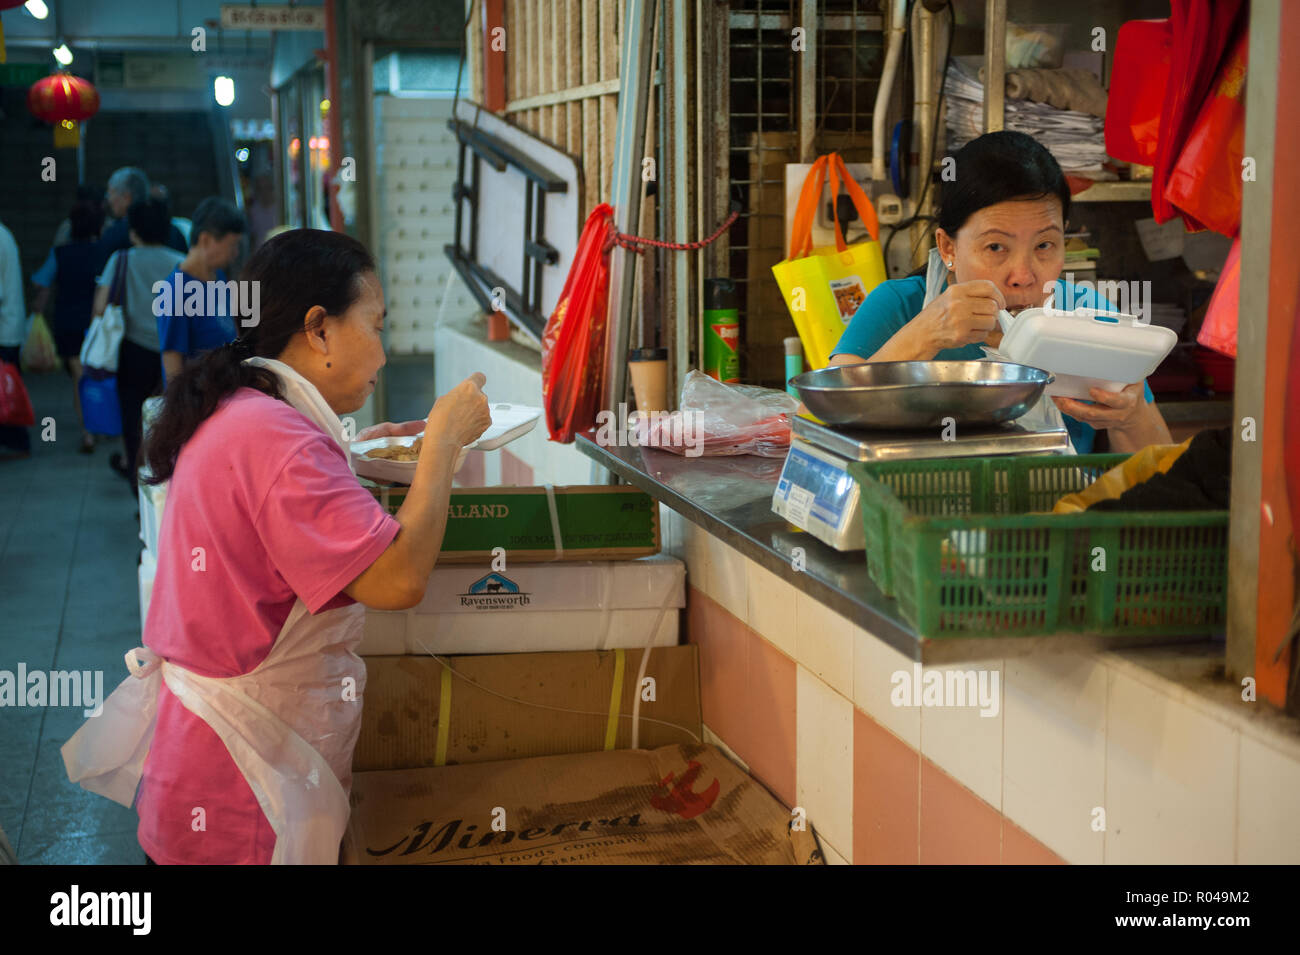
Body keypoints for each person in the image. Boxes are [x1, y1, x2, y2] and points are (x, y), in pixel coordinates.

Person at [60, 229, 492, 865]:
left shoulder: (248, 411)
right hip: (241, 800)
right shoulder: (279, 442)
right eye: (376, 325)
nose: (383, 350)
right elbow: (398, 580)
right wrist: (445, 445)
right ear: (318, 329)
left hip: (208, 777)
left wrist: (364, 452)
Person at [830, 130, 1171, 453]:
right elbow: (823, 424)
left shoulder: (1086, 315)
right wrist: (924, 335)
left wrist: (1131, 416)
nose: (1022, 276)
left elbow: (1161, 469)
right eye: (996, 247)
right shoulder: (899, 307)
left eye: (1045, 245)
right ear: (948, 248)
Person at [92, 198, 185, 492]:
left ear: (133, 231)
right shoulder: (180, 262)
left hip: (131, 354)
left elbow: (99, 307)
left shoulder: (120, 260)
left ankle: (141, 491)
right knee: (172, 420)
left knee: (134, 426)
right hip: (174, 353)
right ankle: (171, 484)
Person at [33, 200, 106, 453]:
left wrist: (37, 310)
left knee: (79, 376)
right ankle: (105, 424)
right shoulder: (104, 252)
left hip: (67, 324)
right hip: (97, 324)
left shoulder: (59, 253)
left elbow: (42, 282)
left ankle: (87, 433)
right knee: (100, 375)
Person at [159, 197, 247, 386]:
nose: (235, 253)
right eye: (232, 245)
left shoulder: (219, 276)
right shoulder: (175, 292)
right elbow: (173, 366)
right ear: (205, 240)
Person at [95, 168, 187, 274]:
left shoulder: (114, 234)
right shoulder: (175, 232)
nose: (109, 200)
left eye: (110, 193)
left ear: (127, 197)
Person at [0, 216, 30, 460]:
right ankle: (18, 442)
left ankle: (18, 442)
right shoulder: (5, 234)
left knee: (6, 392)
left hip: (4, 329)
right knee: (8, 390)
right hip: (9, 327)